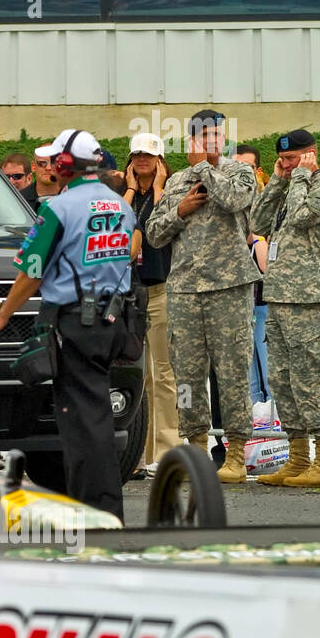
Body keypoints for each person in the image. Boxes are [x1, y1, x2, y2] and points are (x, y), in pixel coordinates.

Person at [0, 129, 134, 520]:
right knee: (96, 413)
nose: (50, 166)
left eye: (55, 160)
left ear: (66, 165)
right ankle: (100, 508)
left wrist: (1, 316)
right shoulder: (121, 205)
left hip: (76, 324)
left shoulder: (57, 210)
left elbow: (31, 271)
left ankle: (97, 513)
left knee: (83, 423)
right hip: (115, 320)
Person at [145, 109, 259, 484]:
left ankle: (237, 453)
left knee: (232, 371)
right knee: (188, 375)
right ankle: (196, 447)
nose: (214, 142)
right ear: (193, 139)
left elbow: (235, 202)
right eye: (206, 136)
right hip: (185, 290)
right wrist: (179, 210)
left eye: (218, 136)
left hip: (229, 288)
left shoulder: (239, 172)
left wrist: (205, 169)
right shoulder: (177, 181)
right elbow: (153, 234)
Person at [250, 129, 320, 487]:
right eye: (284, 160)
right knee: (283, 379)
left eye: (294, 159)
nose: (288, 165)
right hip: (279, 296)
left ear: (311, 154)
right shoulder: (288, 185)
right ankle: (297, 457)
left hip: (309, 298)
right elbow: (256, 223)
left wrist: (302, 176)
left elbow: (305, 216)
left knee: (310, 378)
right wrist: (276, 180)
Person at [121, 133, 176, 476]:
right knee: (137, 375)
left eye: (149, 155)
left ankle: (167, 449)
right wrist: (128, 189)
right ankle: (139, 451)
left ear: (159, 160)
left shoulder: (170, 192)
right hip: (130, 293)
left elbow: (162, 229)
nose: (142, 159)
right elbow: (118, 226)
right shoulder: (122, 195)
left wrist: (157, 189)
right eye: (137, 154)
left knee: (164, 372)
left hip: (161, 289)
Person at [233, 144, 271, 404]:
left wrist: (258, 241)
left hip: (262, 304)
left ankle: (272, 430)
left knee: (266, 369)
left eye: (246, 168)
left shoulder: (270, 202)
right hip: (233, 306)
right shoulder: (227, 200)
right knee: (244, 375)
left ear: (258, 171)